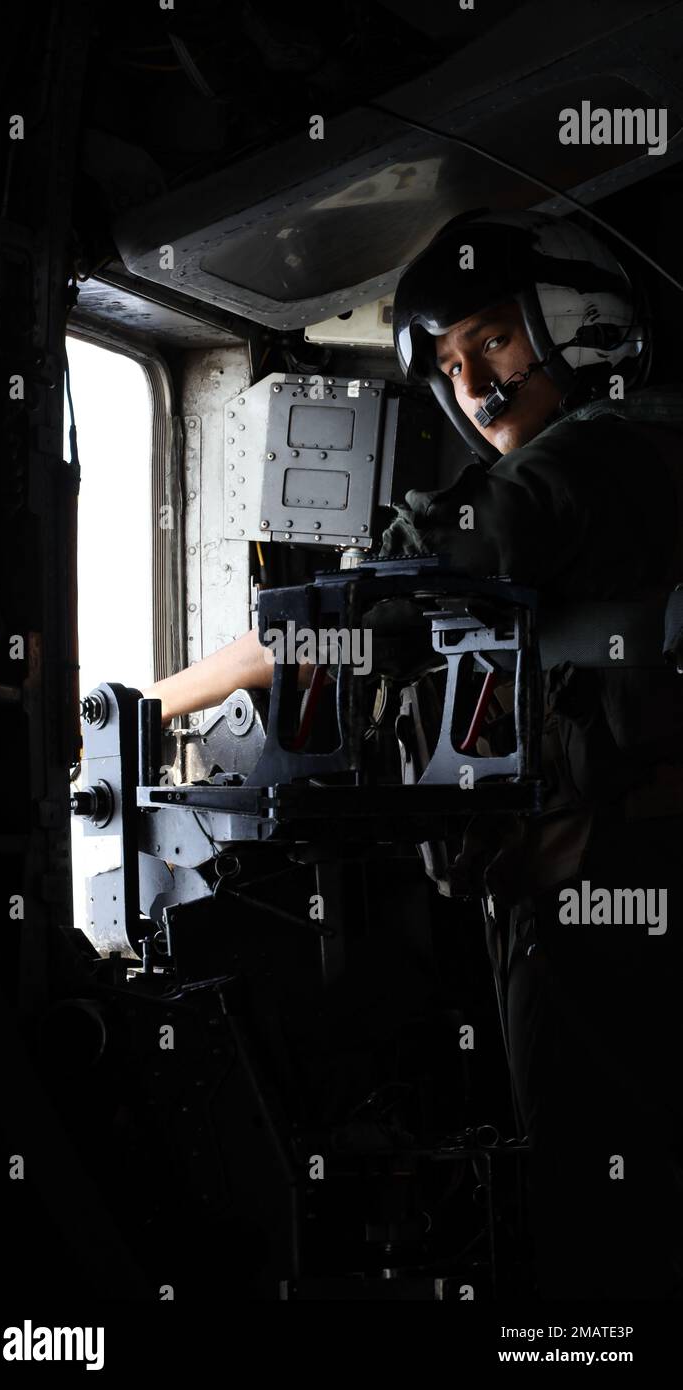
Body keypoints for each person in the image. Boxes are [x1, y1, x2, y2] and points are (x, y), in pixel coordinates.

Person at [144, 207, 683, 1296]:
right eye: (448, 365)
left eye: (492, 340)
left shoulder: (600, 452)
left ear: (576, 320)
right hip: (605, 873)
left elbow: (381, 596)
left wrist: (155, 701)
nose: (474, 387)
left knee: (597, 1203)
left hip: (603, 886)